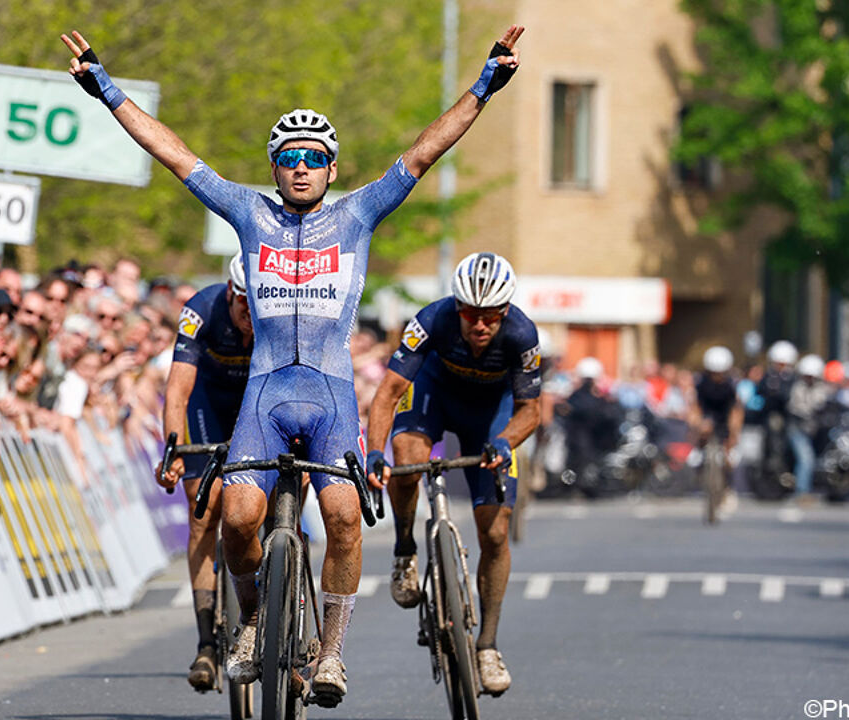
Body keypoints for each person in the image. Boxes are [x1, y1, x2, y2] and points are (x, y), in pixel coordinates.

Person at [62, 20, 524, 703]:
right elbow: (175, 154)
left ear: (332, 168)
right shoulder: (249, 213)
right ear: (274, 167)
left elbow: (425, 151)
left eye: (314, 157)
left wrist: (485, 84)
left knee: (343, 518)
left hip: (330, 395)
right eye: (289, 157)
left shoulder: (358, 215)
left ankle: (331, 654)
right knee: (237, 520)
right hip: (265, 396)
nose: (301, 166)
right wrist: (105, 88)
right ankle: (251, 622)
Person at [364, 252, 540, 695]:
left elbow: (530, 411)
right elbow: (387, 393)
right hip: (434, 394)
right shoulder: (430, 321)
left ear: (505, 311)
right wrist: (375, 452)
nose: (480, 325)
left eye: (490, 316)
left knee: (495, 532)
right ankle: (405, 551)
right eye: (471, 314)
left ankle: (487, 646)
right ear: (457, 307)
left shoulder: (522, 334)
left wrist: (505, 442)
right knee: (407, 456)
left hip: (492, 413)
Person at [154, 254, 254, 691]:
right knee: (204, 508)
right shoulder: (201, 309)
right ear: (231, 293)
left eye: (258, 302)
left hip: (257, 405)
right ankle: (206, 644)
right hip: (207, 405)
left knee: (279, 490)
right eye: (244, 302)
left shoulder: (278, 313)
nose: (251, 312)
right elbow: (177, 389)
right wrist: (173, 450)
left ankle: (281, 594)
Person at [691, 346, 743, 510]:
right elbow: (695, 406)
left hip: (724, 418)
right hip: (707, 417)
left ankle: (727, 487)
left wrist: (734, 431)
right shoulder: (701, 383)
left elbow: (736, 409)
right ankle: (700, 471)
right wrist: (698, 424)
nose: (717, 376)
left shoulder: (731, 385)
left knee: (729, 455)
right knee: (698, 448)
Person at [788, 353, 829, 501]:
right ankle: (802, 491)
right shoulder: (798, 388)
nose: (809, 379)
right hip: (798, 429)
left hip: (815, 430)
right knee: (806, 459)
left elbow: (826, 403)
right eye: (807, 376)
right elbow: (796, 408)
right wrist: (811, 413)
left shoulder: (822, 388)